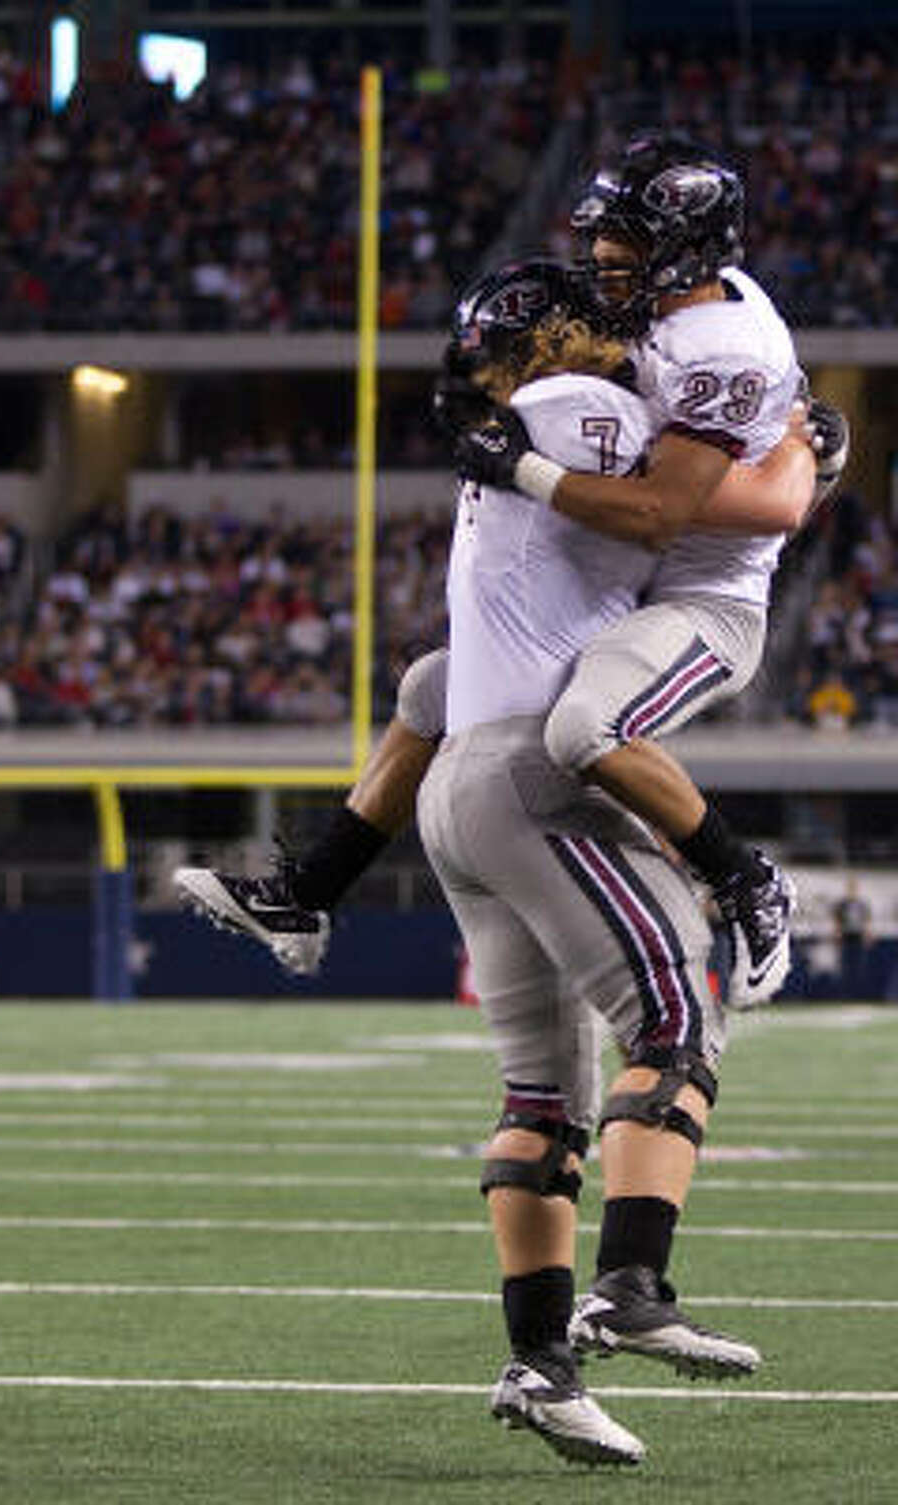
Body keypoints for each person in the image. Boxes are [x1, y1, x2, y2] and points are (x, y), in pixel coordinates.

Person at [196, 262, 760, 1466]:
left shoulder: (515, 434)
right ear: (560, 337)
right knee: (674, 1012)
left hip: (457, 786)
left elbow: (441, 672)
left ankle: (542, 1363)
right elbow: (673, 505)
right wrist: (790, 432)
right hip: (535, 781)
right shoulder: (579, 414)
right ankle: (631, 1282)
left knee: (539, 1101)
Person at [176, 134, 848, 999]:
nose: (604, 269)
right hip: (637, 578)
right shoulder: (688, 314)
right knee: (429, 690)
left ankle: (746, 878)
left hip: (704, 599)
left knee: (583, 731)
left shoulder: (714, 347)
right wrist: (811, 447)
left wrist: (521, 463)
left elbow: (671, 509)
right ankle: (309, 895)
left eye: (627, 248)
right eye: (601, 245)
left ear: (686, 251)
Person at [833, 875, 872, 997]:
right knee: (845, 963)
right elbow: (837, 920)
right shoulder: (842, 904)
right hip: (846, 934)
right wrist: (837, 932)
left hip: (858, 934)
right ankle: (845, 992)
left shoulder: (861, 904)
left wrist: (867, 933)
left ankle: (859, 991)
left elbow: (866, 921)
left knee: (859, 963)